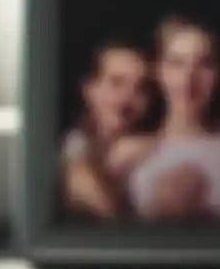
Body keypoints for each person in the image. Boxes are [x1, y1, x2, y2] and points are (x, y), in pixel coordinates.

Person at [116, 15, 220, 222]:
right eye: (177, 63)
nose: (189, 78)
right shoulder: (126, 154)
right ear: (159, 71)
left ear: (218, 73)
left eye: (204, 64)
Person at [60, 41, 152, 220]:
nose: (127, 98)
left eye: (141, 88)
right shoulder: (72, 151)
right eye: (117, 83)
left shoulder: (151, 147)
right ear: (89, 89)